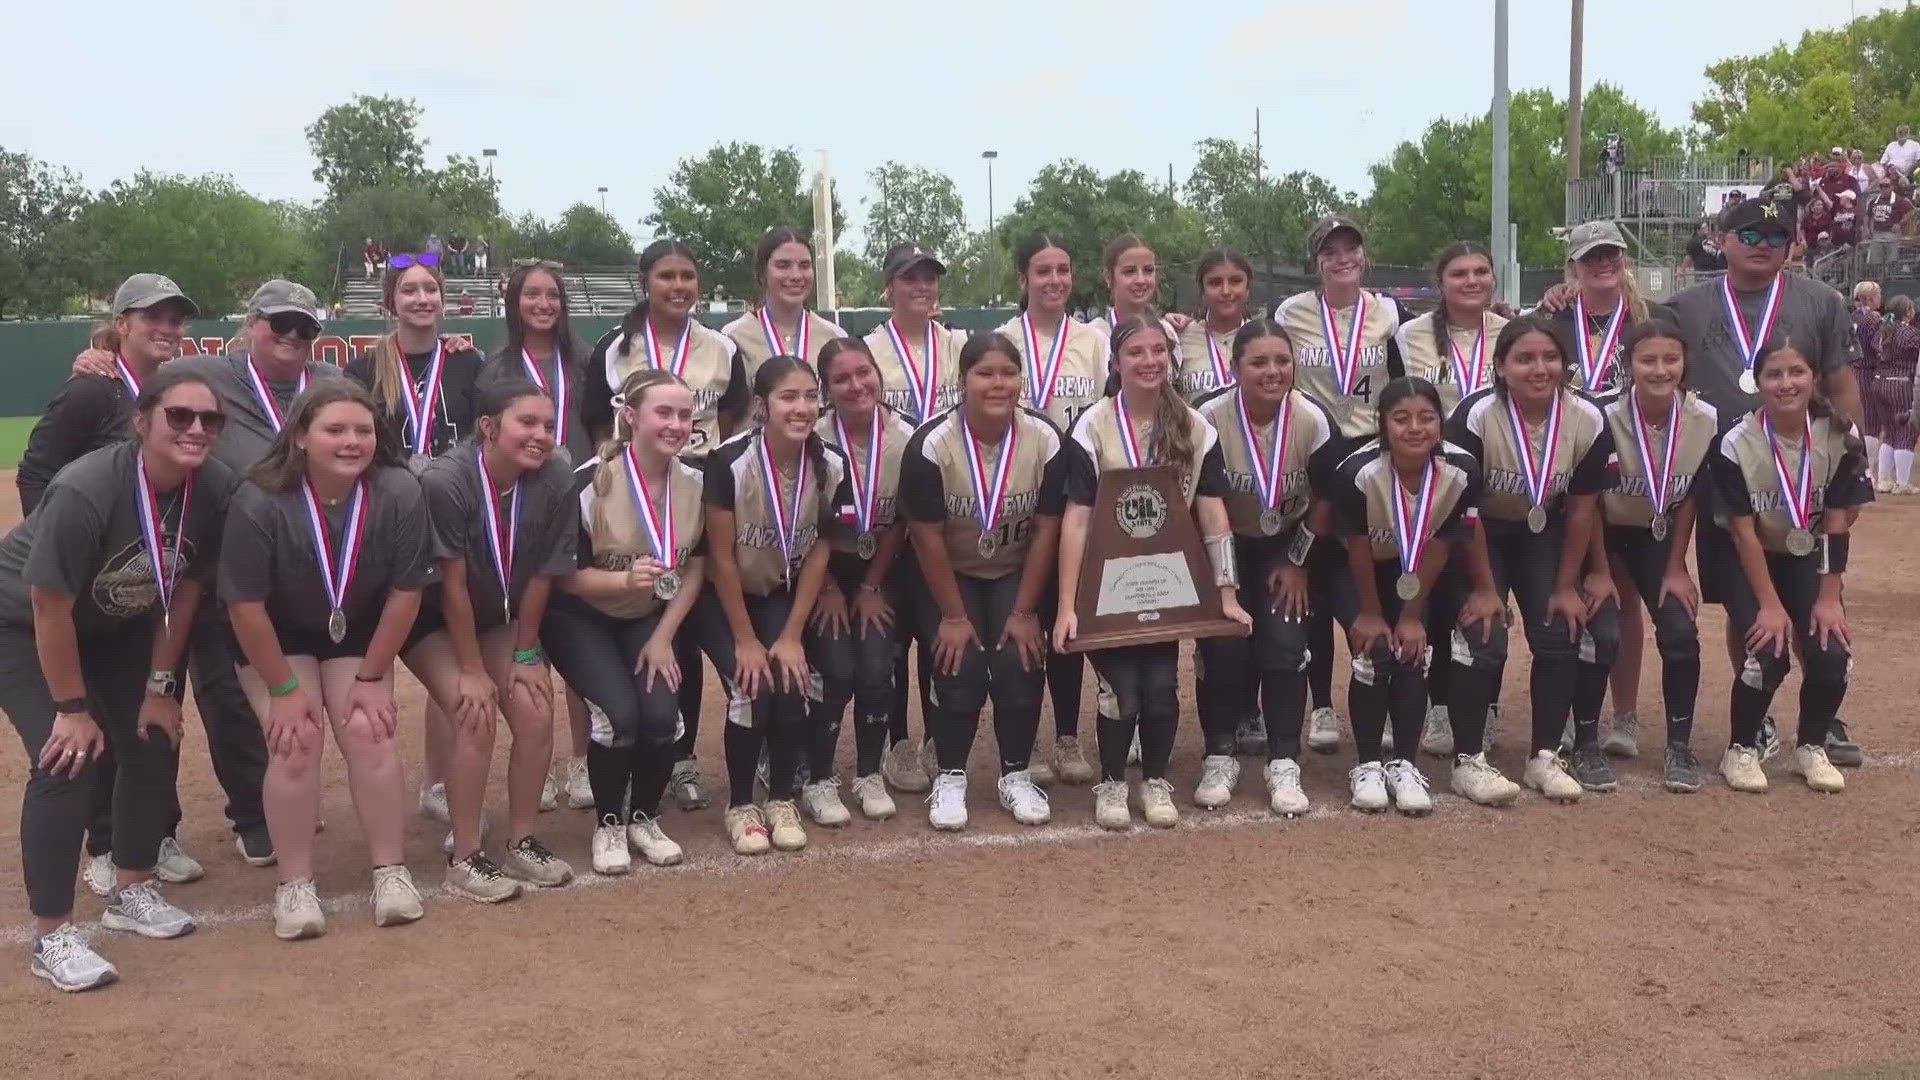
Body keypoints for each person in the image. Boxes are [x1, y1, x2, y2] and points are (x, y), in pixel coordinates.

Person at [71, 280, 339, 867]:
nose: (293, 336)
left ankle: (253, 814)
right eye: (280, 324)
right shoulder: (208, 372)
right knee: (146, 694)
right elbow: (145, 378)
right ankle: (135, 833)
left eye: (305, 328)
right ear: (252, 323)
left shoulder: (327, 385)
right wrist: (101, 356)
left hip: (268, 570)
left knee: (232, 697)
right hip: (187, 558)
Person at [0, 370, 233, 991]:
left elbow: (184, 588)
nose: (196, 430)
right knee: (69, 756)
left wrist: (161, 685)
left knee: (155, 733)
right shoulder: (87, 489)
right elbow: (48, 606)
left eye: (209, 420)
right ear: (142, 422)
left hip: (116, 622)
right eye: (179, 416)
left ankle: (131, 889)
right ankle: (51, 936)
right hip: (23, 625)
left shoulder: (211, 487)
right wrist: (72, 707)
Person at [219, 380, 437, 940]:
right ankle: (294, 884)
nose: (352, 441)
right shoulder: (259, 497)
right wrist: (285, 690)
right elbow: (244, 606)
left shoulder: (398, 491)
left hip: (356, 632)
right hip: (274, 634)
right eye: (335, 429)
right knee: (296, 740)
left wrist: (370, 677)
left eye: (363, 430)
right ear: (299, 436)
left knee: (370, 730)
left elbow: (406, 592)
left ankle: (391, 872)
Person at [19, 276, 209, 891]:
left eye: (176, 319)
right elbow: (38, 475)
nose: (168, 328)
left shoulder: (186, 393)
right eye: (153, 316)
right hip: (72, 588)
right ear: (121, 322)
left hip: (138, 589)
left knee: (156, 715)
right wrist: (70, 554)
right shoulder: (89, 392)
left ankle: (151, 838)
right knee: (83, 726)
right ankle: (101, 846)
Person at [1661, 194, 1864, 766]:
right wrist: (1565, 292)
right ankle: (1762, 710)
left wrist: (1856, 456)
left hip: (1806, 476)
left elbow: (1842, 380)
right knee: (1744, 604)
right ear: (1721, 240)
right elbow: (1633, 326)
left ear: (1792, 246)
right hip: (1726, 474)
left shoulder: (1820, 300)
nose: (1762, 245)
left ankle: (1822, 715)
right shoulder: (1688, 304)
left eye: (1776, 236)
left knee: (1816, 594)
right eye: (1748, 234)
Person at [1057, 315, 1249, 829]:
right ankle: (1114, 783)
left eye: (1158, 351)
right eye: (1136, 352)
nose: (1149, 361)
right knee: (1122, 691)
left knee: (1161, 688)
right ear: (1117, 362)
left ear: (1170, 357)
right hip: (1105, 584)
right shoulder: (1092, 425)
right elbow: (1076, 518)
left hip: (1168, 582)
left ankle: (1157, 780)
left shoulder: (1194, 426)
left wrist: (1225, 592)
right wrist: (1066, 606)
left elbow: (1211, 512)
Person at [587, 239, 749, 810]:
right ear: (645, 281)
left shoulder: (722, 347)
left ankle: (680, 758)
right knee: (658, 636)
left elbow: (730, 418)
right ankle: (652, 757)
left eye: (688, 276)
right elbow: (595, 427)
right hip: (635, 500)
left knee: (692, 624)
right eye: (666, 276)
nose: (679, 286)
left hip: (700, 496)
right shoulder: (614, 347)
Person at [405, 378, 577, 901]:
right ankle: (465, 854)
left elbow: (543, 576)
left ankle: (522, 840)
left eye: (548, 424)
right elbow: (452, 586)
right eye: (527, 423)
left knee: (535, 706)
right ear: (487, 427)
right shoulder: (446, 482)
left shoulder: (555, 477)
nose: (541, 435)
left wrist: (526, 654)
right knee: (472, 710)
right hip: (432, 619)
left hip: (498, 615)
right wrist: (473, 669)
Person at [900, 332, 1066, 831]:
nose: (998, 384)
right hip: (950, 571)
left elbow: (1046, 530)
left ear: (1022, 380)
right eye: (985, 373)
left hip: (1017, 568)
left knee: (1021, 658)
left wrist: (1024, 612)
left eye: (1008, 373)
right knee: (959, 663)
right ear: (963, 381)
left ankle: (1015, 774)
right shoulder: (932, 443)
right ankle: (950, 776)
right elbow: (926, 538)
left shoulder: (1045, 437)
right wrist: (953, 616)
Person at [545, 367, 707, 874]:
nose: (676, 424)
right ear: (631, 416)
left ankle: (644, 816)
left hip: (648, 617)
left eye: (684, 413)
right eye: (663, 412)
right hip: (581, 616)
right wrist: (621, 583)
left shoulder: (698, 481)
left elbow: (696, 565)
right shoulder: (590, 482)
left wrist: (664, 637)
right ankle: (609, 825)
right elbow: (564, 578)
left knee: (662, 718)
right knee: (619, 716)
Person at [1446, 315, 1613, 804]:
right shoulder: (1476, 415)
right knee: (1483, 631)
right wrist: (1483, 587)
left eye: (1549, 357)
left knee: (1559, 629)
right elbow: (1465, 509)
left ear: (1564, 364)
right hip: (1481, 533)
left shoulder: (1587, 417)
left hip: (1544, 530)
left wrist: (1565, 586)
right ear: (1500, 367)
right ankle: (1468, 760)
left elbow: (1582, 510)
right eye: (1524, 359)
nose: (1538, 369)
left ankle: (1543, 756)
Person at [1327, 377, 1502, 813]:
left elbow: (1444, 543)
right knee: (1376, 648)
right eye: (1401, 419)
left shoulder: (1462, 470)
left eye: (1427, 418)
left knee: (1413, 648)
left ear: (1440, 424)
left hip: (1421, 566)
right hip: (1360, 568)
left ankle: (1406, 763)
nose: (1415, 428)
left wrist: (1411, 614)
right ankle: (1368, 764)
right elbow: (1358, 549)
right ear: (1382, 425)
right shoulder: (1356, 473)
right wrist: (1370, 613)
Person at [1192, 320, 1343, 814]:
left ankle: (1284, 760)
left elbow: (1326, 499)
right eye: (1258, 362)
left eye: (1282, 360)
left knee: (1283, 644)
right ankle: (1219, 754)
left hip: (1286, 543)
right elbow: (1205, 501)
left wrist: (1298, 562)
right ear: (1236, 368)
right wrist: (1224, 581)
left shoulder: (1313, 419)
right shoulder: (1208, 418)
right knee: (1226, 646)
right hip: (1224, 539)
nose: (1272, 371)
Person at [1708, 336, 1870, 794]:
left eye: (1796, 372)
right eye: (1773, 375)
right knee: (1768, 651)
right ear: (1756, 383)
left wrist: (1828, 597)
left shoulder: (1839, 435)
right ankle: (1740, 747)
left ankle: (1811, 745)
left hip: (1807, 555)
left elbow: (1837, 524)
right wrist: (1770, 606)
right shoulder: (1735, 443)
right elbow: (1741, 533)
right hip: (1748, 558)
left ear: (1814, 378)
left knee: (1831, 649)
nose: (1786, 383)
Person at [1274, 215, 1410, 756]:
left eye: (1350, 247)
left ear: (1364, 255)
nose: (1342, 257)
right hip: (1314, 449)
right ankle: (1322, 707)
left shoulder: (1389, 313)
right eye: (1331, 251)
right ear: (1317, 263)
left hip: (1372, 450)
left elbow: (1413, 363)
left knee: (1374, 564)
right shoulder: (1291, 313)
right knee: (1315, 566)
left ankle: (1394, 687)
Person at [702, 357, 847, 853]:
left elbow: (819, 551)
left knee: (792, 679)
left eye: (810, 395)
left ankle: (782, 794)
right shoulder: (728, 463)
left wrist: (789, 636)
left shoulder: (830, 465)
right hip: (725, 598)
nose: (802, 407)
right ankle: (741, 803)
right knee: (752, 684)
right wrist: (745, 641)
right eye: (789, 397)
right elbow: (720, 559)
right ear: (762, 406)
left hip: (778, 592)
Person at [996, 234, 1108, 785]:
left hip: (1079, 488)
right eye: (1042, 271)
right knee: (1026, 611)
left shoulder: (1092, 340)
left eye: (1063, 269)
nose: (1055, 280)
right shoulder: (1001, 339)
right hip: (1016, 487)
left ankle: (1067, 736)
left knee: (1069, 615)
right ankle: (1027, 737)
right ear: (1024, 279)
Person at [1390, 243, 1508, 758]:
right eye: (1459, 273)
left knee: (1487, 597)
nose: (1472, 280)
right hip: (1429, 478)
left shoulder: (1510, 333)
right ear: (1440, 282)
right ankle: (1434, 706)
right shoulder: (1409, 335)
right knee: (1434, 594)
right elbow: (1395, 400)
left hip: (1498, 477)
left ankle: (1484, 707)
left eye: (1481, 271)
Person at [1595, 320, 1717, 792]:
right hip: (1603, 534)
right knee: (1600, 628)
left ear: (1684, 363)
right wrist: (1599, 571)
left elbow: (1688, 496)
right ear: (1628, 366)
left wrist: (1676, 565)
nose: (1660, 369)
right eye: (1648, 360)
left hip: (1658, 536)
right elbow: (1585, 501)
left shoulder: (1704, 418)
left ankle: (1678, 746)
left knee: (1680, 627)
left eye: (1671, 360)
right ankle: (1593, 734)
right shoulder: (1602, 415)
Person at [809, 338, 918, 821]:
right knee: (836, 669)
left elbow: (905, 521)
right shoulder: (810, 438)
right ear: (826, 389)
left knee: (877, 668)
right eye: (841, 379)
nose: (856, 385)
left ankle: (870, 771)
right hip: (823, 566)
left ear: (878, 373)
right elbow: (804, 524)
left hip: (882, 568)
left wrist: (872, 585)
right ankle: (819, 776)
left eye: (863, 373)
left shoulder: (909, 436)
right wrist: (830, 585)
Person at [345, 253, 483, 469]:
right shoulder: (363, 371)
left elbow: (483, 440)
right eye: (409, 291)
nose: (422, 299)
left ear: (442, 299)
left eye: (431, 289)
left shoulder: (467, 362)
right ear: (391, 302)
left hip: (457, 493)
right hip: (391, 496)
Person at [863, 243, 969, 424]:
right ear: (889, 285)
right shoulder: (867, 350)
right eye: (910, 278)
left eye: (930, 279)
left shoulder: (958, 344)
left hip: (946, 451)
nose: (922, 286)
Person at [722, 226, 841, 381]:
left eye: (804, 266)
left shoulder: (833, 337)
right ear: (762, 272)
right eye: (783, 265)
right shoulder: (734, 337)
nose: (796, 275)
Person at [1174, 249, 1255, 403]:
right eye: (1215, 283)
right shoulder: (1180, 339)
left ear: (1248, 288)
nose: (1226, 291)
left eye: (1235, 281)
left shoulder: (1262, 338)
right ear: (1202, 291)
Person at [1085, 233, 1187, 345]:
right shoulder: (1092, 336)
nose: (1141, 280)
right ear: (1108, 277)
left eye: (1148, 270)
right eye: (1129, 271)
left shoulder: (1168, 332)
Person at [1873, 295, 1919, 493]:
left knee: (1889, 432)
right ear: (1908, 311)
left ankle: (1883, 480)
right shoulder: (1911, 334)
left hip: (1879, 383)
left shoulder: (1881, 332)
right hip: (1902, 385)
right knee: (1907, 432)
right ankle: (1902, 483)